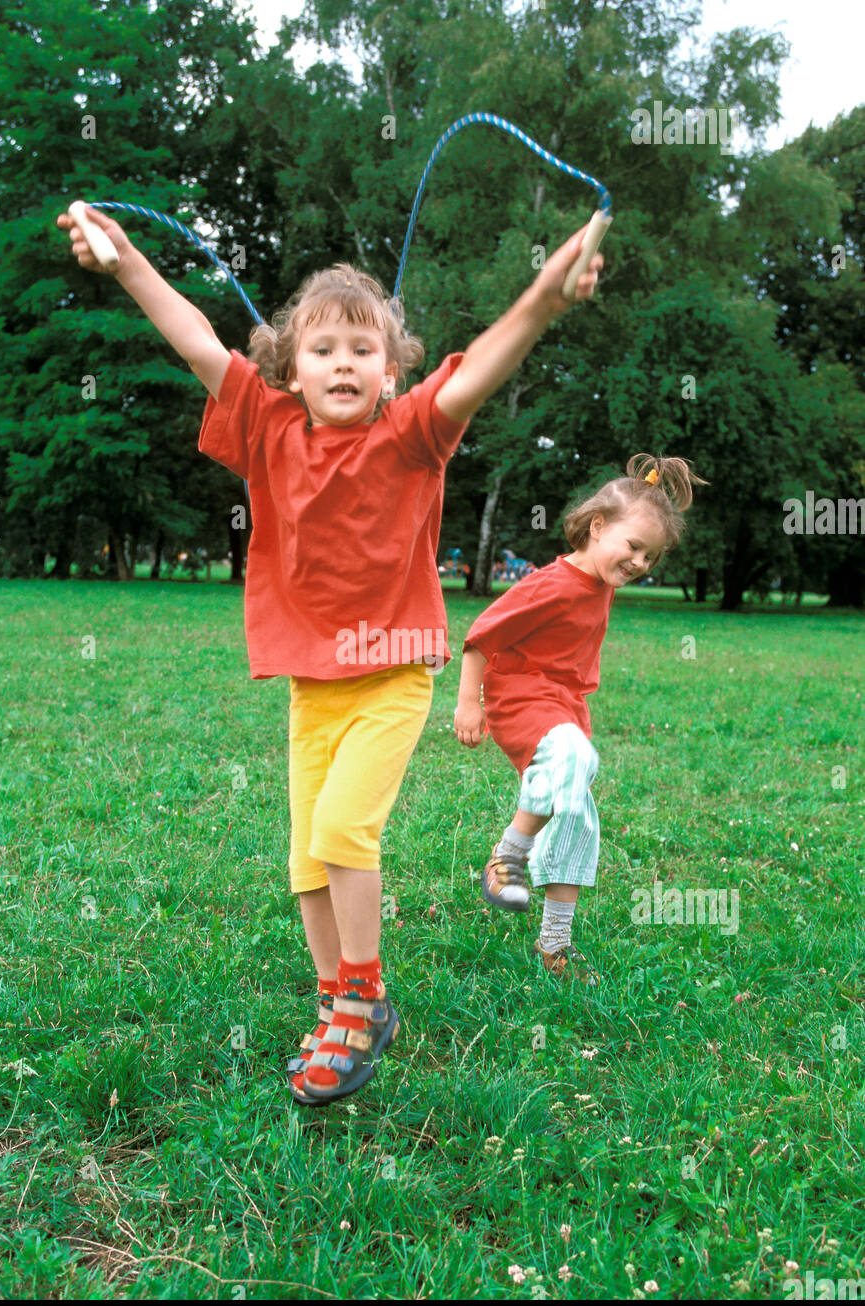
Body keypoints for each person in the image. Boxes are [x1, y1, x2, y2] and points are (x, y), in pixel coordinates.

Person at [57, 202, 603, 1103]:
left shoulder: (412, 434)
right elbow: (195, 339)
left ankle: (363, 998)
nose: (342, 362)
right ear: (291, 368)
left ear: (390, 372)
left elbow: (480, 372)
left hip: (390, 676)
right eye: (322, 349)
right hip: (311, 688)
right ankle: (333, 998)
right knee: (307, 861)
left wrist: (544, 296)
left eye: (362, 349)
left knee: (346, 832)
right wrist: (125, 265)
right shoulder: (268, 428)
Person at [454, 456, 706, 980]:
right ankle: (507, 856)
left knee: (577, 817)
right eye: (633, 546)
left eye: (651, 556)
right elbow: (481, 635)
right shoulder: (554, 583)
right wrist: (468, 704)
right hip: (522, 700)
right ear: (596, 527)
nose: (639, 562)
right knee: (574, 756)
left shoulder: (602, 582)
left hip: (565, 707)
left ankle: (555, 946)